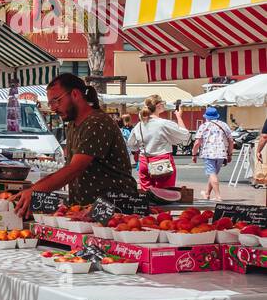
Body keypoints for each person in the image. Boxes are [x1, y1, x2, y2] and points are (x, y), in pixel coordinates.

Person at [15, 73, 138, 215]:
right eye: (51, 103)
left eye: (56, 101)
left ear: (75, 94)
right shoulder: (73, 124)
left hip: (114, 208)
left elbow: (75, 168)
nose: (53, 108)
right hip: (88, 209)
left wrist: (36, 190)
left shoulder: (96, 122)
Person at [127, 95, 188, 192]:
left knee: (146, 195)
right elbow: (184, 135)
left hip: (144, 161)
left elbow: (131, 144)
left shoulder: (139, 125)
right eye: (163, 104)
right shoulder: (163, 123)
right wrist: (179, 117)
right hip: (161, 161)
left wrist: (140, 148)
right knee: (164, 194)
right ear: (158, 105)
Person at [192, 106, 234, 202]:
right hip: (221, 153)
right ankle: (207, 193)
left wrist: (194, 154)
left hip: (208, 153)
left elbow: (197, 142)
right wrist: (230, 154)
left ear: (206, 116)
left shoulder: (204, 126)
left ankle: (218, 196)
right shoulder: (224, 125)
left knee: (212, 174)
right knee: (213, 174)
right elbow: (231, 141)